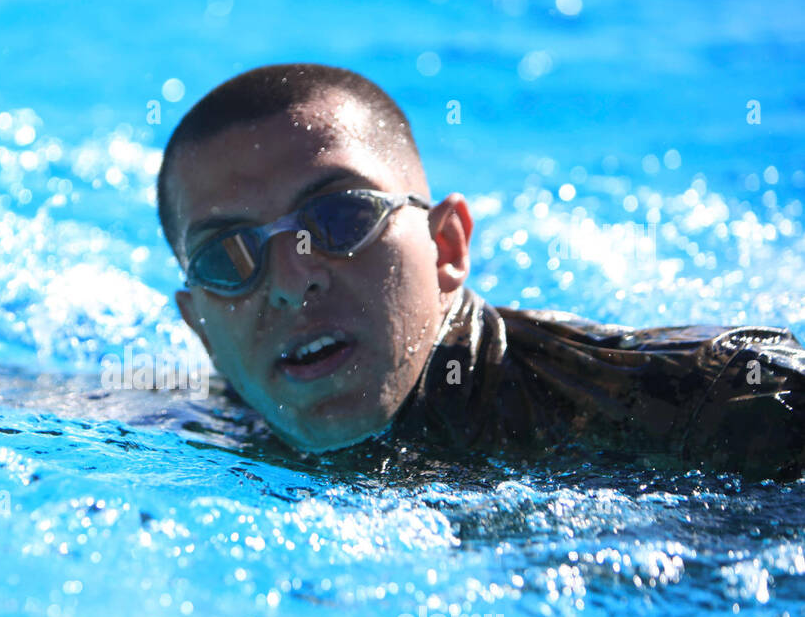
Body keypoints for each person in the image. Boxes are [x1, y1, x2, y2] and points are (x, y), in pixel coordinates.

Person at [156, 63, 805, 480]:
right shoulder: (182, 430)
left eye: (342, 217)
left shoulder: (708, 402)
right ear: (202, 330)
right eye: (229, 256)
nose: (294, 282)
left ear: (446, 246)